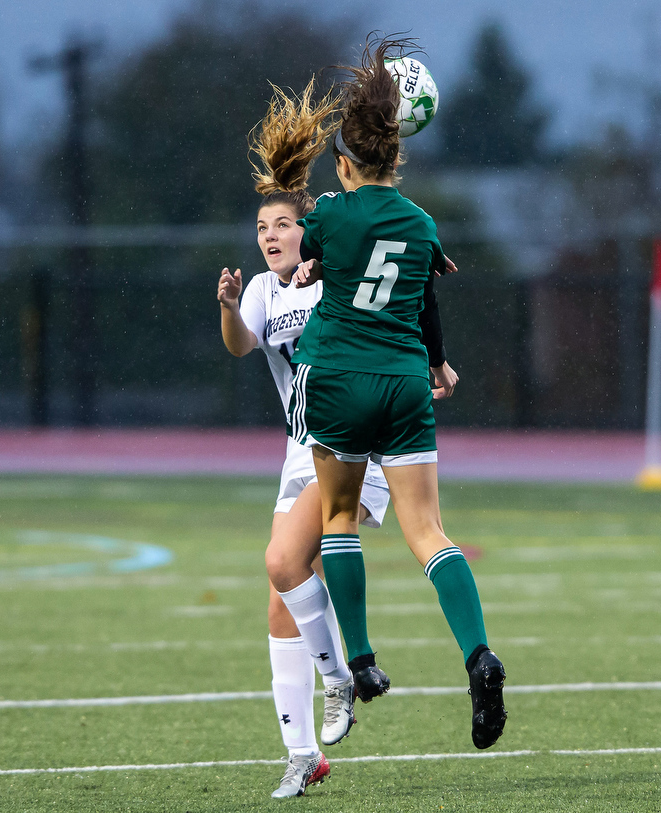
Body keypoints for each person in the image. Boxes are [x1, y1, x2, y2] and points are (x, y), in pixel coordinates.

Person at [218, 78, 459, 798]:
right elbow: (238, 347)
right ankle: (303, 753)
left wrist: (433, 352)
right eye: (263, 229)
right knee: (280, 587)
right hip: (304, 449)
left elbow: (389, 271)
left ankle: (344, 673)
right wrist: (230, 306)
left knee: (284, 557)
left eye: (284, 226)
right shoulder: (264, 291)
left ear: (311, 227)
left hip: (357, 437)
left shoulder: (333, 275)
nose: (271, 237)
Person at [287, 36, 508, 750]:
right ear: (398, 159)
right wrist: (439, 366)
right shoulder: (421, 225)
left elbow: (306, 249)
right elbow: (423, 304)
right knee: (428, 531)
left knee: (341, 517)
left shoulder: (329, 212)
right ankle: (478, 653)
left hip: (340, 375)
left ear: (346, 164)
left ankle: (361, 661)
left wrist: (310, 262)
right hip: (404, 377)